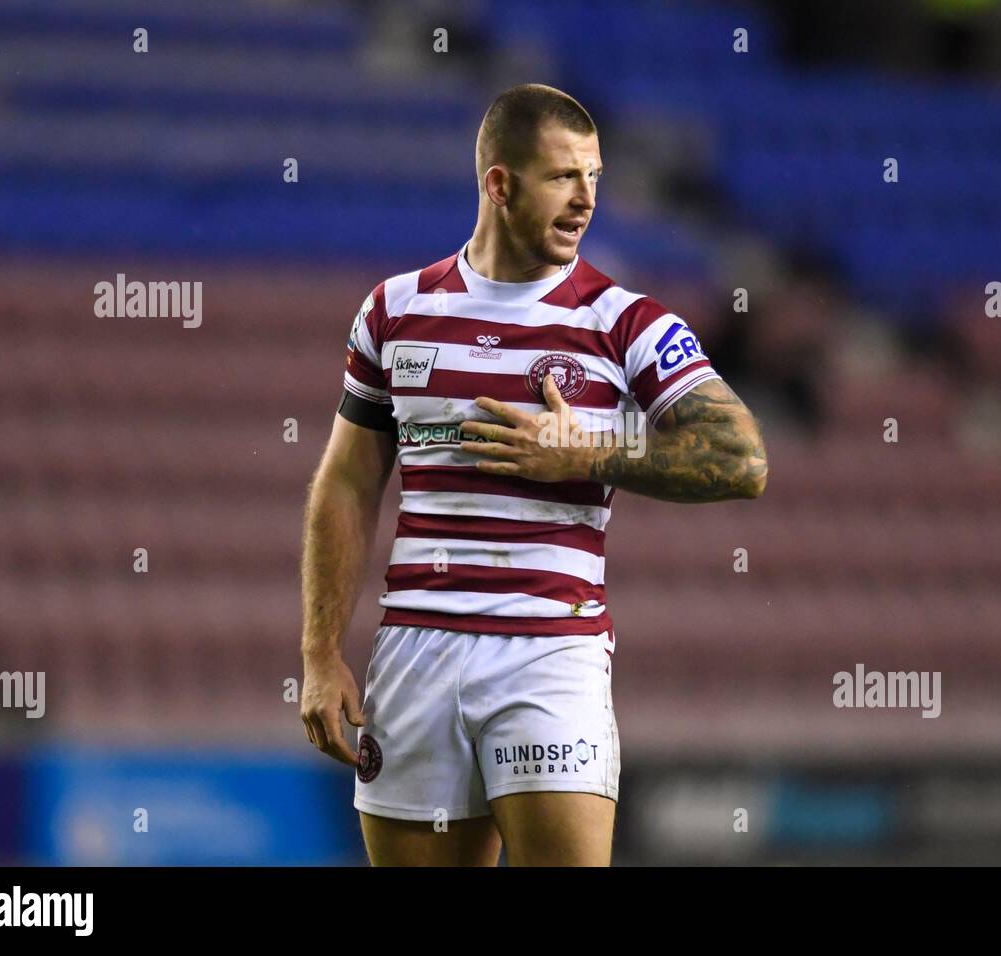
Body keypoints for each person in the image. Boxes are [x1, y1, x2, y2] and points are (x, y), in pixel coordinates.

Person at [300, 83, 767, 866]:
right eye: (563, 177)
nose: (586, 199)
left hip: (548, 653)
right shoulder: (394, 311)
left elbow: (742, 458)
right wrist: (319, 654)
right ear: (499, 183)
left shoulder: (625, 323)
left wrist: (586, 455)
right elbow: (348, 482)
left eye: (594, 177)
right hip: (416, 650)